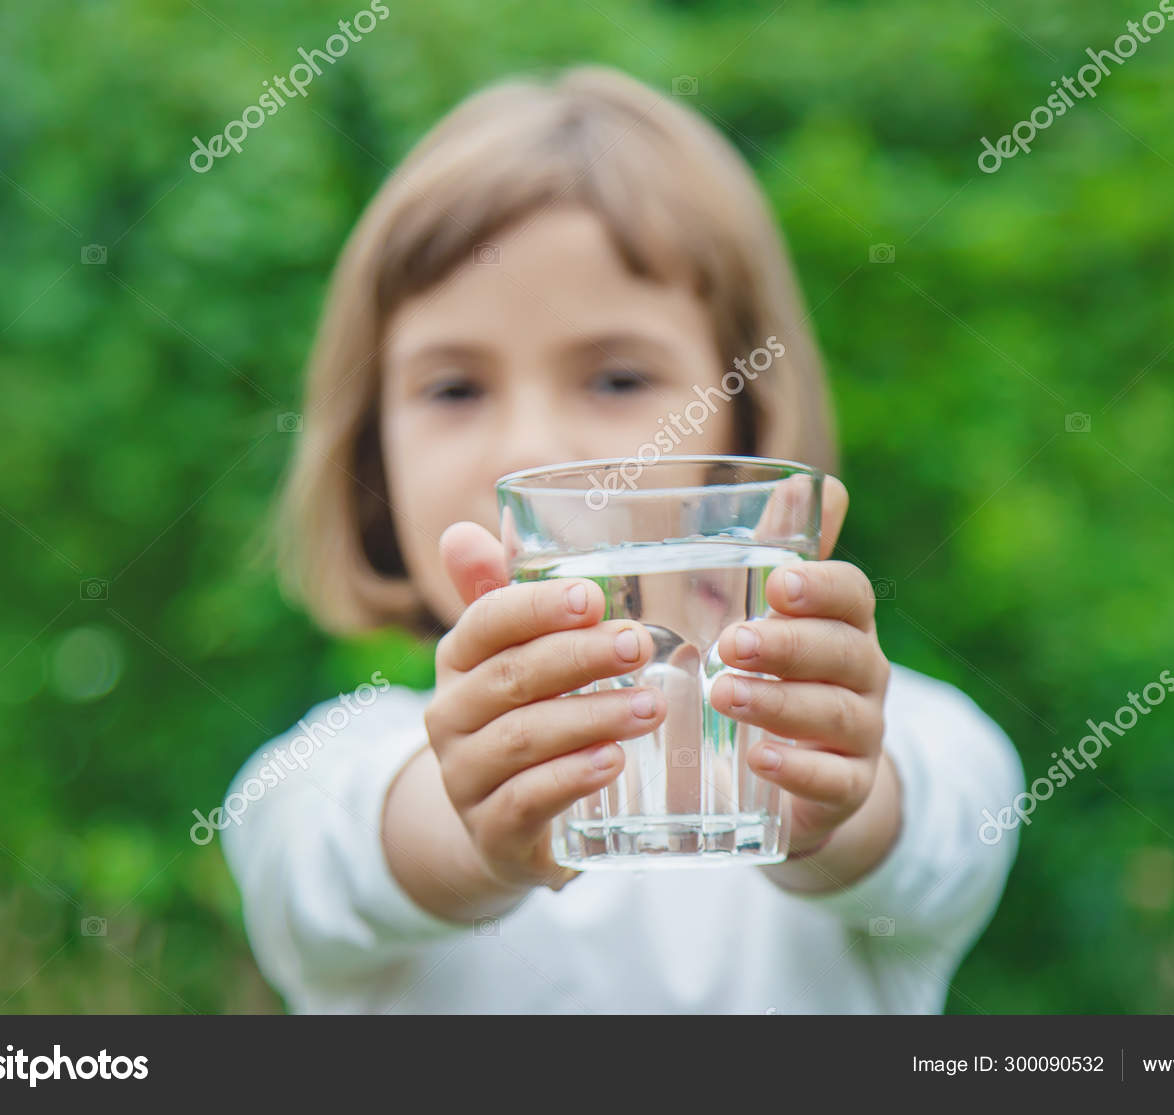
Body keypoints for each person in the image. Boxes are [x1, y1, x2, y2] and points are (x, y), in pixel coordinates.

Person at [220, 65, 1024, 1013]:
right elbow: (333, 865)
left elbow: (934, 835)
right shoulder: (323, 772)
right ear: (369, 449)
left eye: (615, 380)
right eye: (454, 388)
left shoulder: (919, 737)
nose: (528, 446)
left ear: (750, 422)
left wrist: (827, 805)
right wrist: (476, 826)